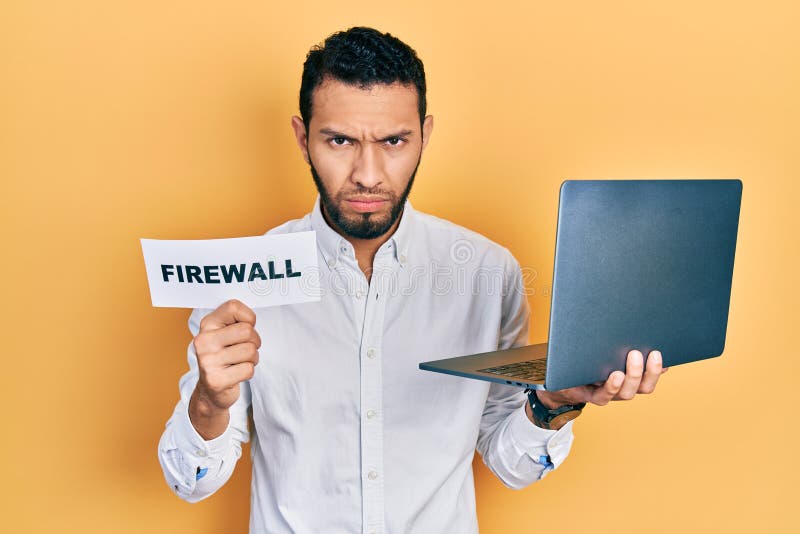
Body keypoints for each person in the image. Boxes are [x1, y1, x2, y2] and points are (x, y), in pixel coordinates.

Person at [157, 26, 667, 534]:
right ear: (302, 138)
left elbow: (511, 464)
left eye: (393, 141)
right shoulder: (237, 285)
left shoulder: (489, 274)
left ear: (424, 135)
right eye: (340, 140)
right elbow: (190, 480)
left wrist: (556, 402)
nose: (368, 174)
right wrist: (209, 401)